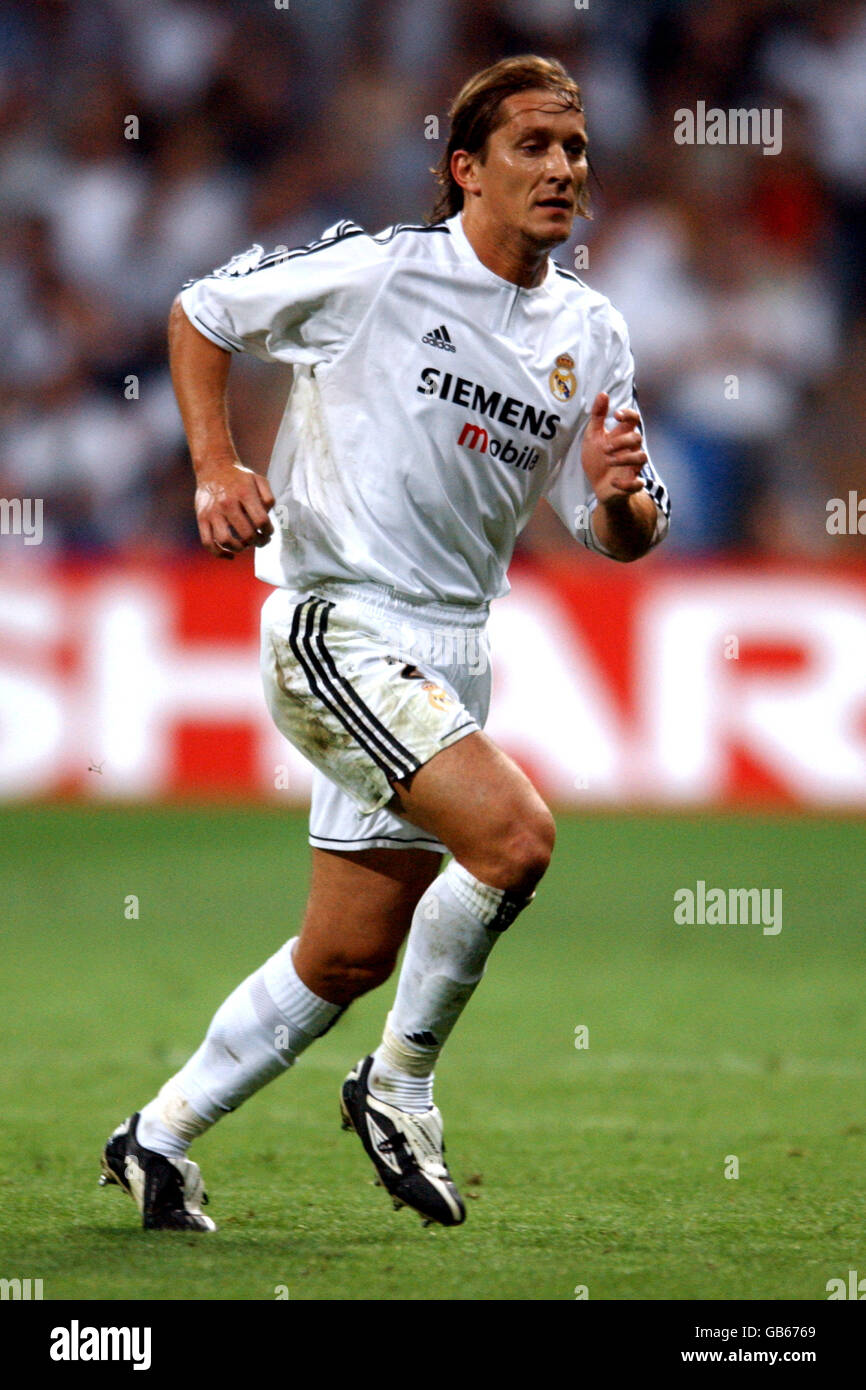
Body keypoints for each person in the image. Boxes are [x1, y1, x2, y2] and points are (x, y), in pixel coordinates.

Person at [99, 54, 670, 1232]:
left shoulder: (590, 331)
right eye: (532, 147)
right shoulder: (377, 271)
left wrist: (618, 498)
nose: (562, 168)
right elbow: (202, 311)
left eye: (573, 150)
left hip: (454, 645)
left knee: (347, 955)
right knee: (514, 840)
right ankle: (398, 1087)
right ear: (465, 168)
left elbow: (615, 531)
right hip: (337, 623)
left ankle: (157, 1138)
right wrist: (214, 466)